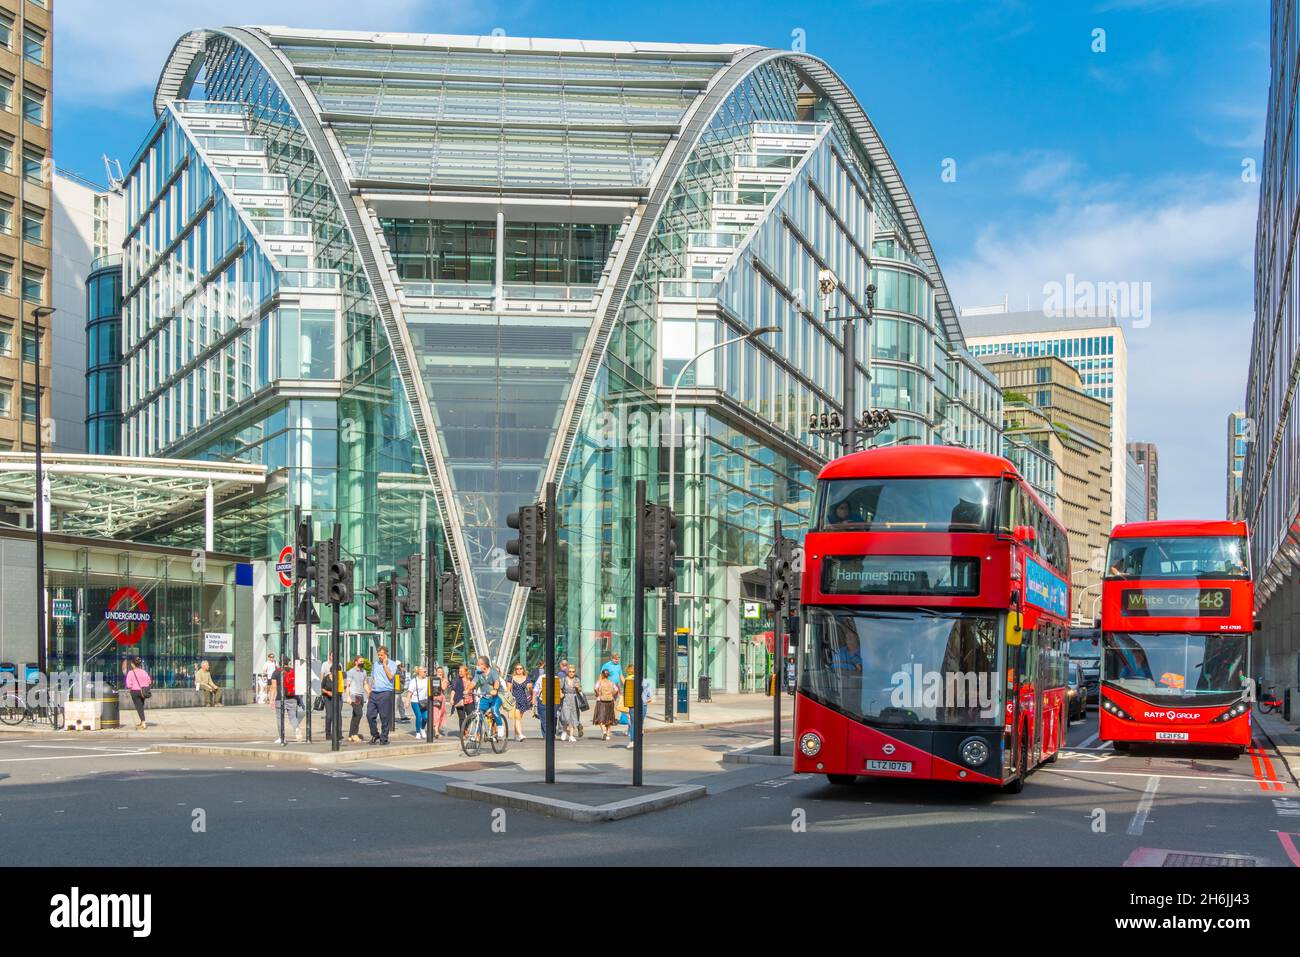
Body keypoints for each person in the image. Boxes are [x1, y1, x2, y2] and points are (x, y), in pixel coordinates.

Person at [367, 646, 398, 745]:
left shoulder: (393, 664)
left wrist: (385, 665)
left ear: (386, 654)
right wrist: (370, 690)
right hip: (374, 692)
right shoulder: (375, 664)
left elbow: (390, 676)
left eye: (381, 655)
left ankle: (384, 738)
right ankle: (375, 734)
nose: (380, 657)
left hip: (385, 692)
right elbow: (373, 677)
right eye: (379, 655)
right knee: (369, 715)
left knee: (384, 717)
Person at [472, 656, 504, 741]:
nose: (477, 665)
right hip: (485, 696)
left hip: (496, 696)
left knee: (494, 710)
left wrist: (495, 690)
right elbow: (473, 682)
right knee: (479, 713)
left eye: (479, 664)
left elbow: (496, 682)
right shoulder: (478, 672)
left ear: (484, 665)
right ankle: (477, 733)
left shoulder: (493, 672)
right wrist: (467, 689)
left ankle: (500, 729)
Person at [124, 657, 151, 731]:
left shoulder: (130, 672)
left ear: (133, 664)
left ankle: (143, 722)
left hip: (135, 691)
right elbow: (149, 681)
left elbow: (129, 684)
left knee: (139, 707)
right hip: (143, 691)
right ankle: (141, 721)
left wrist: (130, 689)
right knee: (141, 706)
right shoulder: (144, 672)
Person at [507, 664, 533, 742]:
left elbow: (530, 689)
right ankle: (520, 734)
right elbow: (508, 690)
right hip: (514, 700)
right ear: (515, 670)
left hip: (524, 700)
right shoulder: (511, 678)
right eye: (517, 669)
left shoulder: (527, 678)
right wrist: (508, 701)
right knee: (517, 718)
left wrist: (530, 690)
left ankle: (516, 735)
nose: (519, 670)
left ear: (523, 669)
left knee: (519, 719)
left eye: (520, 668)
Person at [346, 655, 367, 743]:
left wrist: (369, 693)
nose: (362, 663)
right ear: (356, 662)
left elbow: (365, 684)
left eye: (363, 661)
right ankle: (355, 734)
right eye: (360, 661)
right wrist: (348, 696)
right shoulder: (351, 672)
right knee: (359, 714)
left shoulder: (364, 672)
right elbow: (348, 685)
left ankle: (350, 735)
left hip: (361, 696)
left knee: (355, 715)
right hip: (354, 696)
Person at [593, 667, 618, 740]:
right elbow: (616, 690)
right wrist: (612, 695)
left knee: (600, 717)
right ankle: (608, 735)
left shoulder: (599, 682)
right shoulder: (611, 682)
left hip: (601, 701)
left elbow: (595, 688)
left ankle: (604, 731)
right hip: (610, 701)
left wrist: (598, 694)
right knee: (609, 718)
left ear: (602, 675)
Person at [559, 665, 582, 743]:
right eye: (570, 671)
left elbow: (580, 689)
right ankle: (564, 731)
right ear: (567, 672)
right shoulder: (564, 679)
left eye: (573, 671)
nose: (571, 673)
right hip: (566, 698)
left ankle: (571, 736)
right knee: (566, 716)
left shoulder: (577, 680)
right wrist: (560, 694)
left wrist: (578, 687)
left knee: (573, 717)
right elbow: (559, 688)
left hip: (574, 699)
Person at [452, 664, 475, 736]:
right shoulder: (457, 680)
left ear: (466, 672)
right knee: (462, 718)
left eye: (462, 671)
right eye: (459, 671)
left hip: (470, 701)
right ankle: (463, 732)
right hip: (460, 701)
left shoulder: (471, 679)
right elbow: (453, 690)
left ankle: (466, 728)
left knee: (470, 717)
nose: (460, 673)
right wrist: (452, 699)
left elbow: (474, 688)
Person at [409, 665, 430, 738]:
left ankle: (422, 729)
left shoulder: (427, 679)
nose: (426, 673)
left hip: (424, 702)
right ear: (419, 672)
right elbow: (410, 693)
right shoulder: (414, 681)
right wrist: (407, 701)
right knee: (419, 716)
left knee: (426, 717)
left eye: (426, 671)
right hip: (415, 701)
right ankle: (418, 732)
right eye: (424, 671)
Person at [429, 665, 449, 739]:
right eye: (438, 672)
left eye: (441, 672)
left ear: (443, 673)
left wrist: (440, 680)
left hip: (441, 699)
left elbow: (443, 688)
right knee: (436, 715)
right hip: (434, 698)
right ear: (436, 672)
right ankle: (436, 731)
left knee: (440, 715)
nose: (439, 673)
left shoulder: (445, 680)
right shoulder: (433, 679)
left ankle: (436, 729)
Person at [321, 659, 337, 742]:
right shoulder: (326, 678)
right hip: (327, 697)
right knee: (329, 715)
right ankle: (328, 733)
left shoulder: (338, 678)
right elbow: (322, 688)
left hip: (336, 698)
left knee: (336, 715)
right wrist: (327, 692)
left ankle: (336, 733)